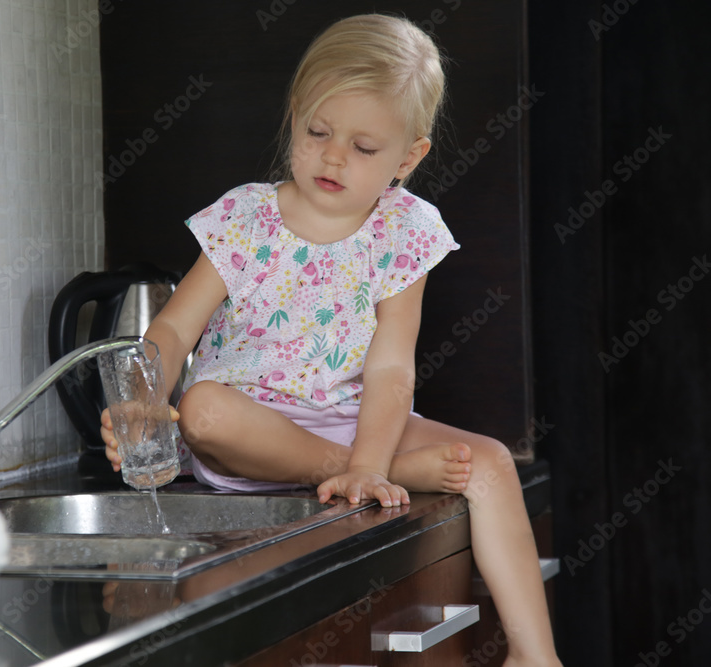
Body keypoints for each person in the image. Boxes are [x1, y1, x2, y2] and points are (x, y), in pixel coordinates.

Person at [100, 14, 561, 666]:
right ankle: (364, 473)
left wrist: (369, 457)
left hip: (353, 419)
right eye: (317, 131)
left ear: (408, 157)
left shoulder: (405, 231)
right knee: (202, 406)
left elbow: (390, 370)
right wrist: (145, 397)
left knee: (487, 464)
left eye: (364, 147)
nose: (334, 155)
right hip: (250, 425)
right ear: (294, 116)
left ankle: (537, 655)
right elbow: (174, 326)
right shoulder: (246, 217)